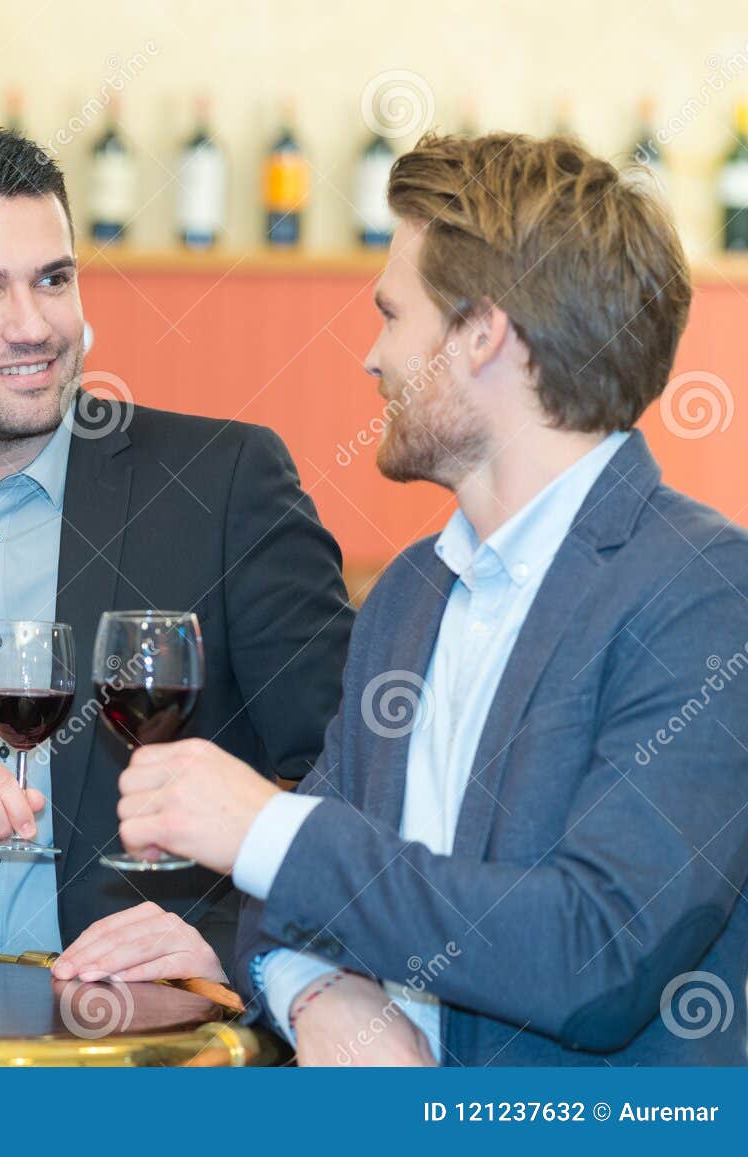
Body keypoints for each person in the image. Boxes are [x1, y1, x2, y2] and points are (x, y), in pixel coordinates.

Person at [112, 131, 748, 1065]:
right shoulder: (412, 589)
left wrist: (266, 827)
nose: (372, 358)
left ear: (483, 330)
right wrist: (321, 995)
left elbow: (595, 952)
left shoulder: (707, 593)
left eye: (392, 315)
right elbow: (280, 910)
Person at [0, 125, 353, 978]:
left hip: (155, 1046)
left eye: (55, 279)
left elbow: (350, 774)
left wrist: (230, 942)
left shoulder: (225, 484)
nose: (33, 325)